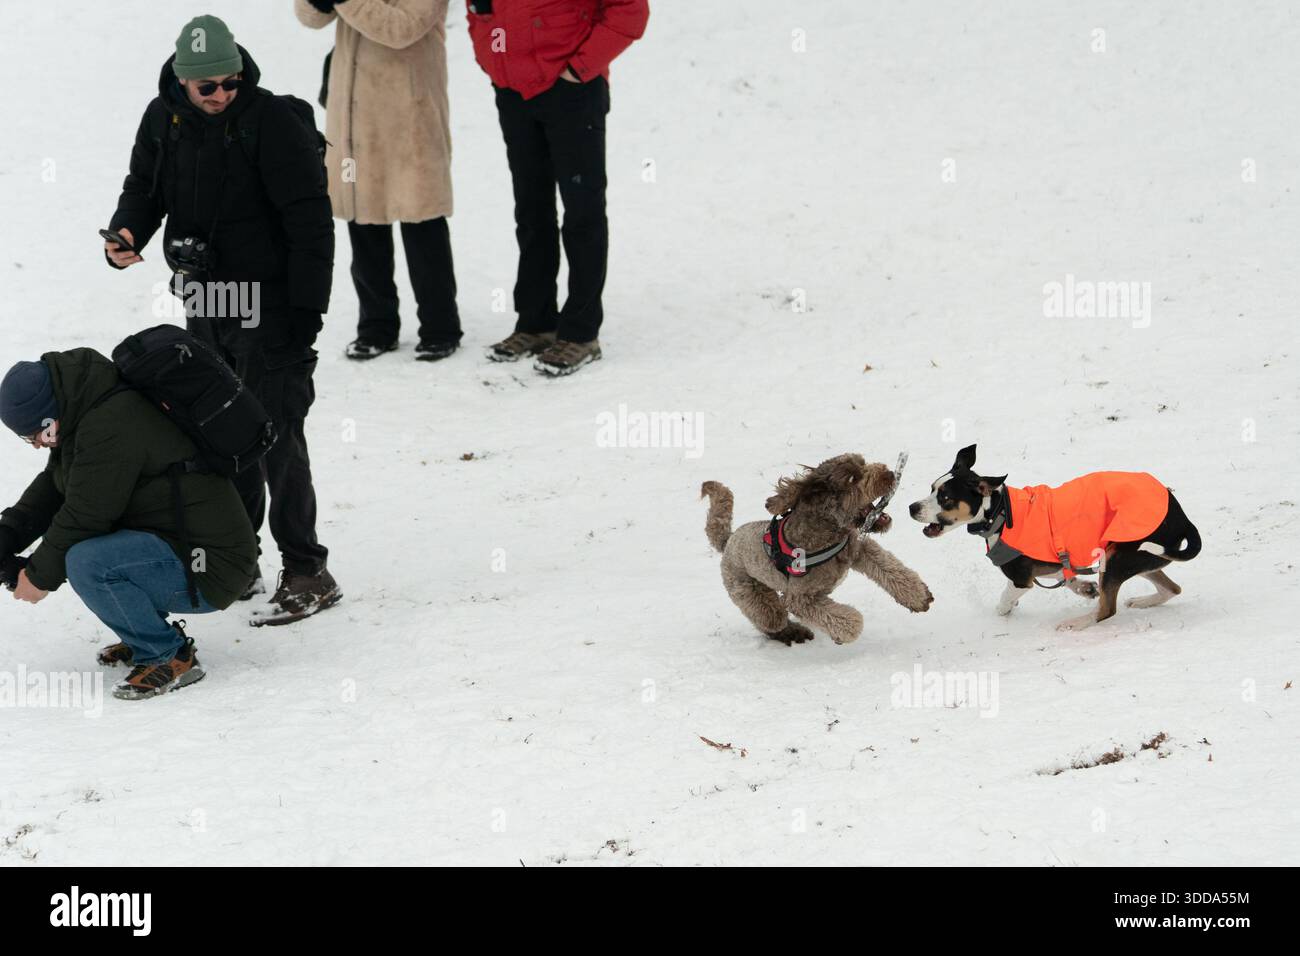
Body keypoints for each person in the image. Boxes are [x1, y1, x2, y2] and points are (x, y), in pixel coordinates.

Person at [104, 15, 341, 624]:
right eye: (207, 87)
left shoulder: (271, 123)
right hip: (207, 299)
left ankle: (308, 568)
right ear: (182, 81)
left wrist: (305, 313)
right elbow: (144, 186)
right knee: (217, 429)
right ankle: (239, 560)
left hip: (270, 302)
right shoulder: (165, 119)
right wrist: (129, 230)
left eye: (231, 83)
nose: (221, 95)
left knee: (277, 432)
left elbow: (311, 221)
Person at [0, 351, 258, 700]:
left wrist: (37, 576)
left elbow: (84, 515)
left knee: (87, 561)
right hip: (175, 543)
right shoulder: (86, 409)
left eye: (35, 435)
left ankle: (169, 656)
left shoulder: (109, 426)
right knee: (90, 551)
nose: (36, 444)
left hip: (211, 566)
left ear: (49, 416)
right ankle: (144, 635)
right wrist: (9, 533)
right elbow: (56, 485)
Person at [467, 0, 650, 376]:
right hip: (514, 93)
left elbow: (629, 11)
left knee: (582, 214)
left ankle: (581, 333)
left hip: (574, 92)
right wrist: (494, 63)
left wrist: (578, 70)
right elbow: (481, 12)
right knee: (531, 211)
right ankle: (535, 324)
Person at [296, 0, 462, 363]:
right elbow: (308, 18)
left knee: (422, 220)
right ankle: (376, 325)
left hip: (409, 112)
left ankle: (440, 326)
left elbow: (400, 28)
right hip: (356, 116)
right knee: (364, 218)